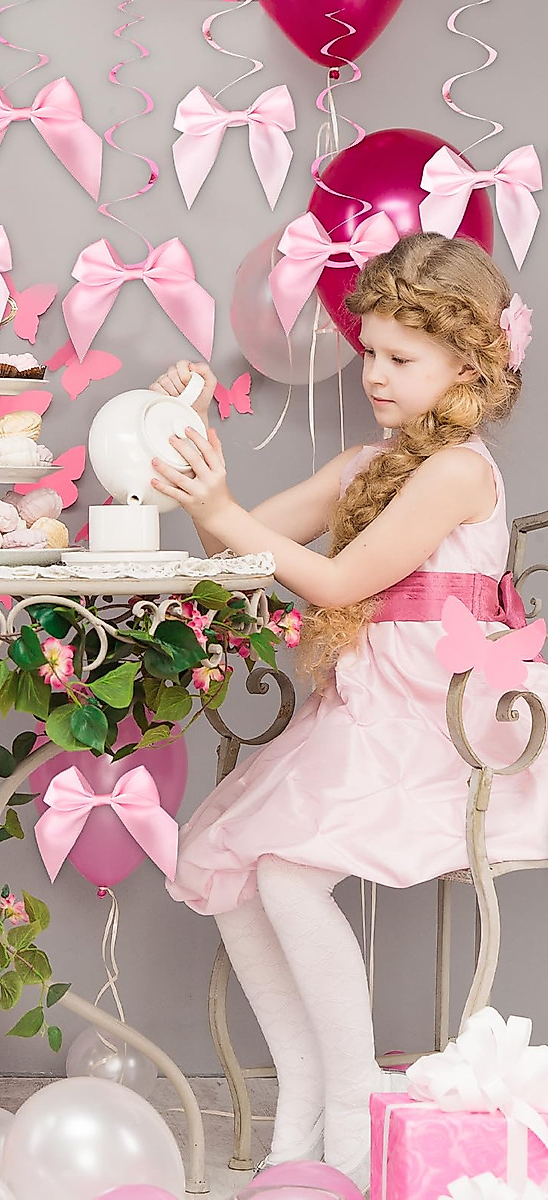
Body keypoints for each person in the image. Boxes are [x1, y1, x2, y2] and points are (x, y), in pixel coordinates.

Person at [150, 233, 543, 1186]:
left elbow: (334, 583)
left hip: (441, 724)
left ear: (469, 364)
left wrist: (223, 513)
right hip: (370, 712)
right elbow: (245, 540)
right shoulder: (373, 462)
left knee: (286, 874)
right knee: (235, 867)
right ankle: (307, 1083)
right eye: (368, 352)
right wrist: (194, 456)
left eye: (400, 358)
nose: (374, 374)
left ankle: (354, 1093)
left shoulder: (458, 472)